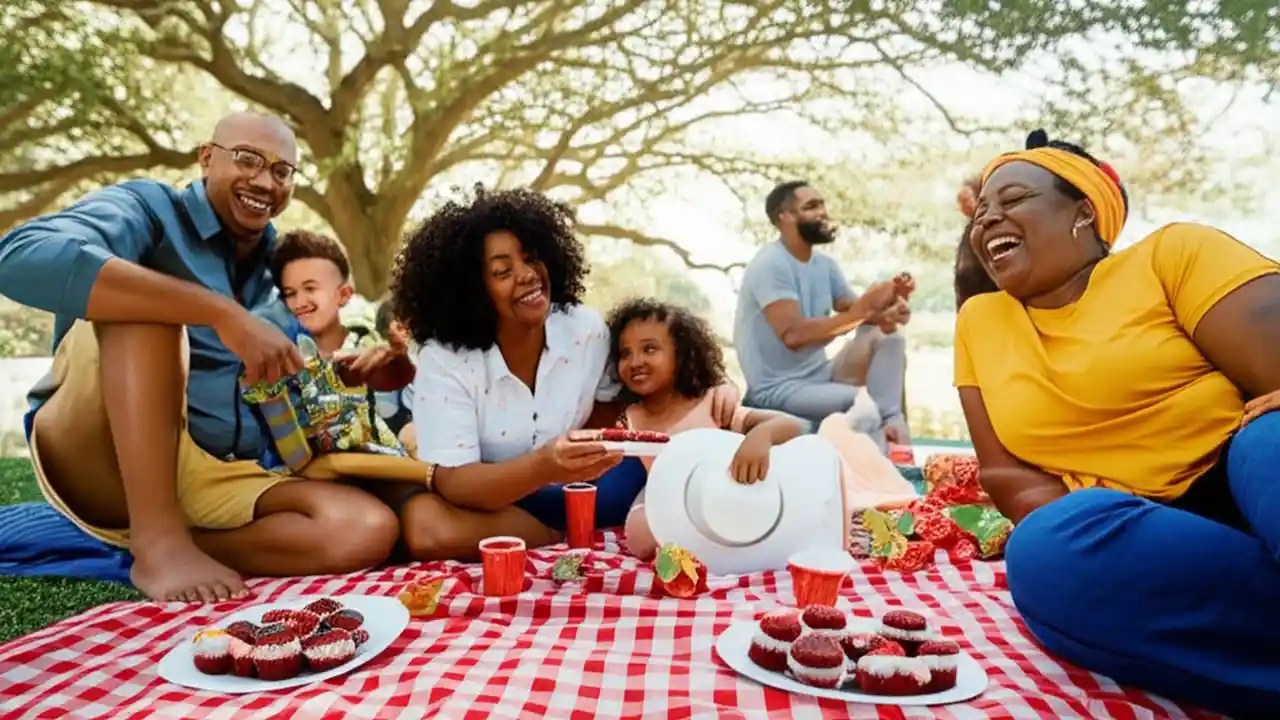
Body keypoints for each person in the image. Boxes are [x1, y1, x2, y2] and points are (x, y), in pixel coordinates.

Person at [0, 112, 402, 603]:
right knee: (150, 305)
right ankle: (157, 541)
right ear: (207, 158)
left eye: (281, 171)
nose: (264, 180)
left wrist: (364, 371)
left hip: (216, 471)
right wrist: (217, 311)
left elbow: (308, 372)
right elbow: (20, 255)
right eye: (248, 159)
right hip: (97, 451)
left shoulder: (282, 269)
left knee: (366, 529)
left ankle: (171, 543)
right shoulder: (149, 208)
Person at [955, 129, 1280, 715]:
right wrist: (1087, 531)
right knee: (1044, 551)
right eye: (981, 211)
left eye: (1012, 200)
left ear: (1082, 212)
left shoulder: (1170, 255)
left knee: (1272, 442)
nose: (987, 220)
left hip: (1246, 476)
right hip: (1134, 532)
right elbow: (1005, 474)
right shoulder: (981, 320)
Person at [389, 187, 740, 561]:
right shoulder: (445, 360)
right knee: (425, 527)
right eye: (503, 271)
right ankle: (552, 536)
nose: (527, 275)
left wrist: (718, 385)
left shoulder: (583, 331)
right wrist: (544, 466)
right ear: (471, 291)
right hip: (487, 503)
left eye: (531, 258)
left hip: (583, 493)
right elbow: (454, 484)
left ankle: (554, 530)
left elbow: (642, 385)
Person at [604, 299, 806, 560]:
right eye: (625, 353)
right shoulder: (628, 418)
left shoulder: (713, 403)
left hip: (723, 496)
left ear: (682, 354)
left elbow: (792, 425)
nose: (635, 361)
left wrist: (759, 436)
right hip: (668, 508)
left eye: (649, 349)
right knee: (640, 532)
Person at [733, 180, 914, 443]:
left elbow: (860, 314)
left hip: (821, 375)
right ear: (785, 217)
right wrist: (862, 311)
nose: (823, 212)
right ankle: (882, 457)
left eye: (822, 205)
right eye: (811, 206)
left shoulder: (824, 265)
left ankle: (891, 420)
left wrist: (891, 305)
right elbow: (793, 336)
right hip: (778, 389)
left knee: (889, 339)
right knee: (858, 403)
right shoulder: (771, 264)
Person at [271, 229, 406, 452]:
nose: (300, 301)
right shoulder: (287, 363)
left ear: (343, 295)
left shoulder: (371, 348)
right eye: (290, 293)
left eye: (310, 288)